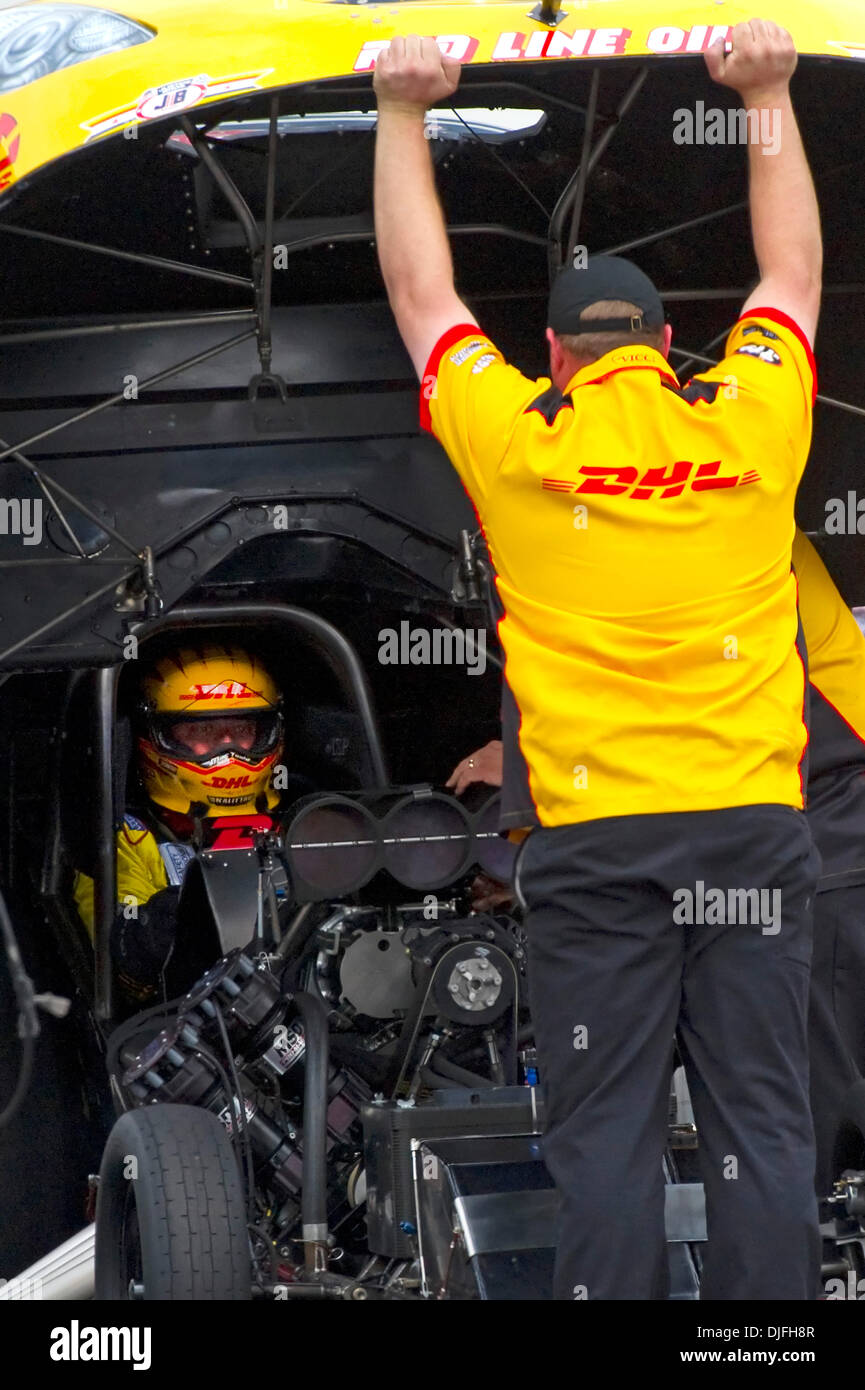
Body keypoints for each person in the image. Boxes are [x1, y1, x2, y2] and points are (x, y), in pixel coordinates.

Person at [373, 20, 822, 1299]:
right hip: (749, 837)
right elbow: (788, 275)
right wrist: (766, 93)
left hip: (597, 858)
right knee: (763, 1133)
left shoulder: (521, 449)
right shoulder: (750, 425)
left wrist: (406, 113)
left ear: (557, 355)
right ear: (670, 341)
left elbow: (424, 299)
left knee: (605, 1140)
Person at [451, 529, 865, 1201]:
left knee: (811, 1160)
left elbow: (677, 702)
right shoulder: (717, 494)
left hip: (822, 847)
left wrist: (534, 772)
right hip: (808, 843)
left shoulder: (682, 523)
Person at [74, 645, 304, 1004]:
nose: (229, 750)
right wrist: (174, 921)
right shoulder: (128, 840)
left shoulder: (309, 824)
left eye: (242, 728)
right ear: (156, 739)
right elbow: (125, 973)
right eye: (204, 731)